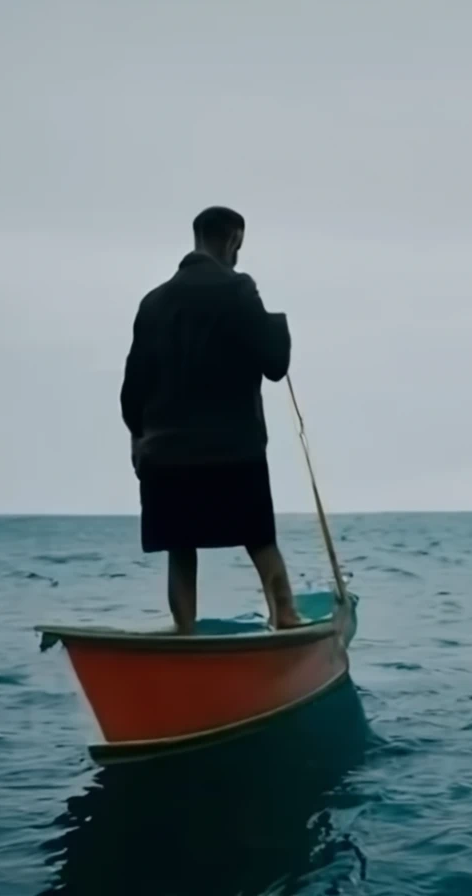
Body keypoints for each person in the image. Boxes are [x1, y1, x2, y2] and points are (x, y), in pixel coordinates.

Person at [119, 205, 303, 633]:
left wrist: (137, 437)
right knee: (259, 537)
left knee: (180, 545)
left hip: (164, 451)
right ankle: (287, 616)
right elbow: (275, 363)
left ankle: (184, 631)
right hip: (231, 448)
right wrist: (277, 325)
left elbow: (132, 388)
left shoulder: (153, 302)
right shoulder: (238, 289)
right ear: (233, 239)